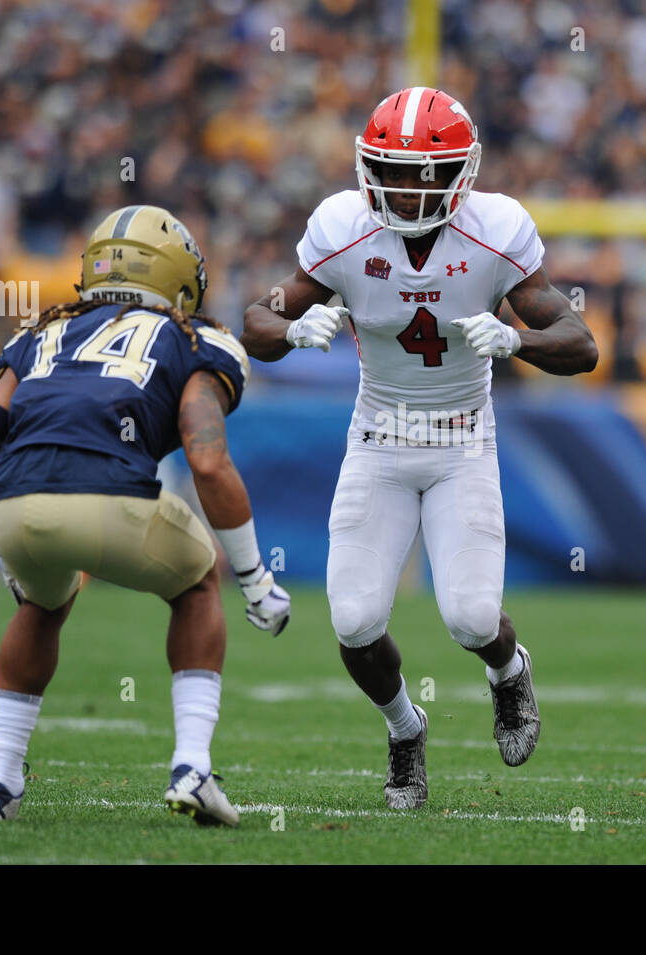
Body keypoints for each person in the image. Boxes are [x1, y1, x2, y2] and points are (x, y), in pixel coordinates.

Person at [241, 88, 597, 809]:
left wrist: (517, 340)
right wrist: (289, 333)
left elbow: (582, 345)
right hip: (378, 438)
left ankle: (507, 672)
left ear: (460, 174)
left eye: (421, 173)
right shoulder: (343, 227)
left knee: (470, 615)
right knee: (354, 620)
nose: (404, 189)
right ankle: (406, 730)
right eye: (390, 170)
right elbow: (255, 319)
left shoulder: (497, 230)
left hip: (464, 439)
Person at [0, 204, 290, 828]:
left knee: (43, 606)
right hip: (112, 496)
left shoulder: (41, 334)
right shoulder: (195, 338)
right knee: (197, 581)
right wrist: (256, 581)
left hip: (19, 503)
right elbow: (207, 462)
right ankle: (192, 766)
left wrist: (4, 539)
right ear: (178, 277)